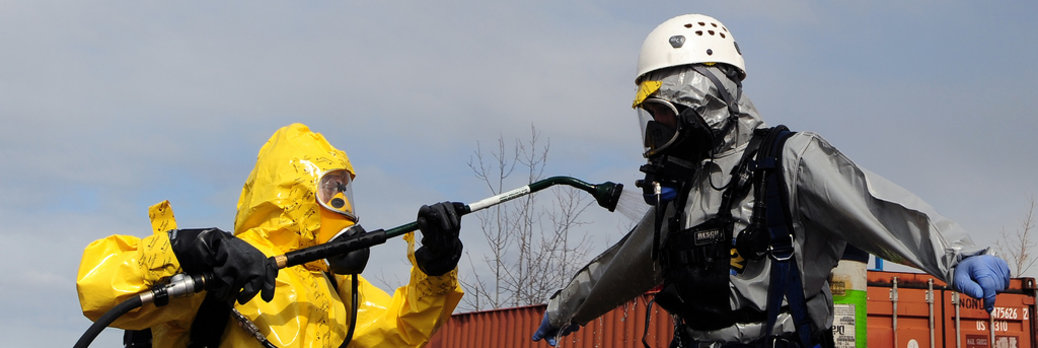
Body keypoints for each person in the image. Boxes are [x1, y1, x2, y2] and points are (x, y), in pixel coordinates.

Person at [531, 14, 1011, 347]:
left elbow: (876, 209)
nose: (657, 132)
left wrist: (958, 255)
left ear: (702, 98)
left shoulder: (789, 159)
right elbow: (625, 265)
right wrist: (564, 310)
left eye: (663, 113)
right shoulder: (684, 193)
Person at [77, 123, 466, 347]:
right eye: (331, 190)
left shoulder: (337, 288)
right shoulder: (227, 267)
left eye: (345, 190)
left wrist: (436, 267)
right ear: (294, 195)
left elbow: (400, 331)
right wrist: (188, 248)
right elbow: (99, 287)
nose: (343, 204)